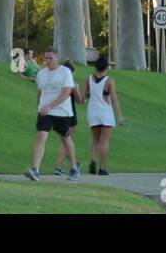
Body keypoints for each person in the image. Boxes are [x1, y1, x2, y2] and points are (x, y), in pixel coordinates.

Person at [25, 47, 79, 181]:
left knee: (65, 139)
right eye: (46, 58)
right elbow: (40, 91)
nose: (48, 61)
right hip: (45, 112)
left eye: (50, 58)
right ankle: (36, 170)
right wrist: (40, 106)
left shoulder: (65, 72)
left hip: (62, 112)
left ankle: (73, 168)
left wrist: (51, 106)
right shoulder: (41, 73)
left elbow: (66, 93)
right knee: (41, 137)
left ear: (57, 58)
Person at [84, 55, 123, 175]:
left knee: (95, 139)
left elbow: (83, 97)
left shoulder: (88, 79)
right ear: (106, 67)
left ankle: (94, 159)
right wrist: (120, 116)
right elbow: (114, 99)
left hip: (92, 111)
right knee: (104, 141)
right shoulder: (109, 80)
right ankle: (103, 167)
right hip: (105, 112)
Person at [54, 59, 84, 176]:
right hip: (70, 114)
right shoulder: (71, 83)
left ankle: (74, 163)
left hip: (58, 113)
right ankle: (60, 166)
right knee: (67, 141)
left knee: (65, 140)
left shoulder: (58, 82)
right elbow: (79, 100)